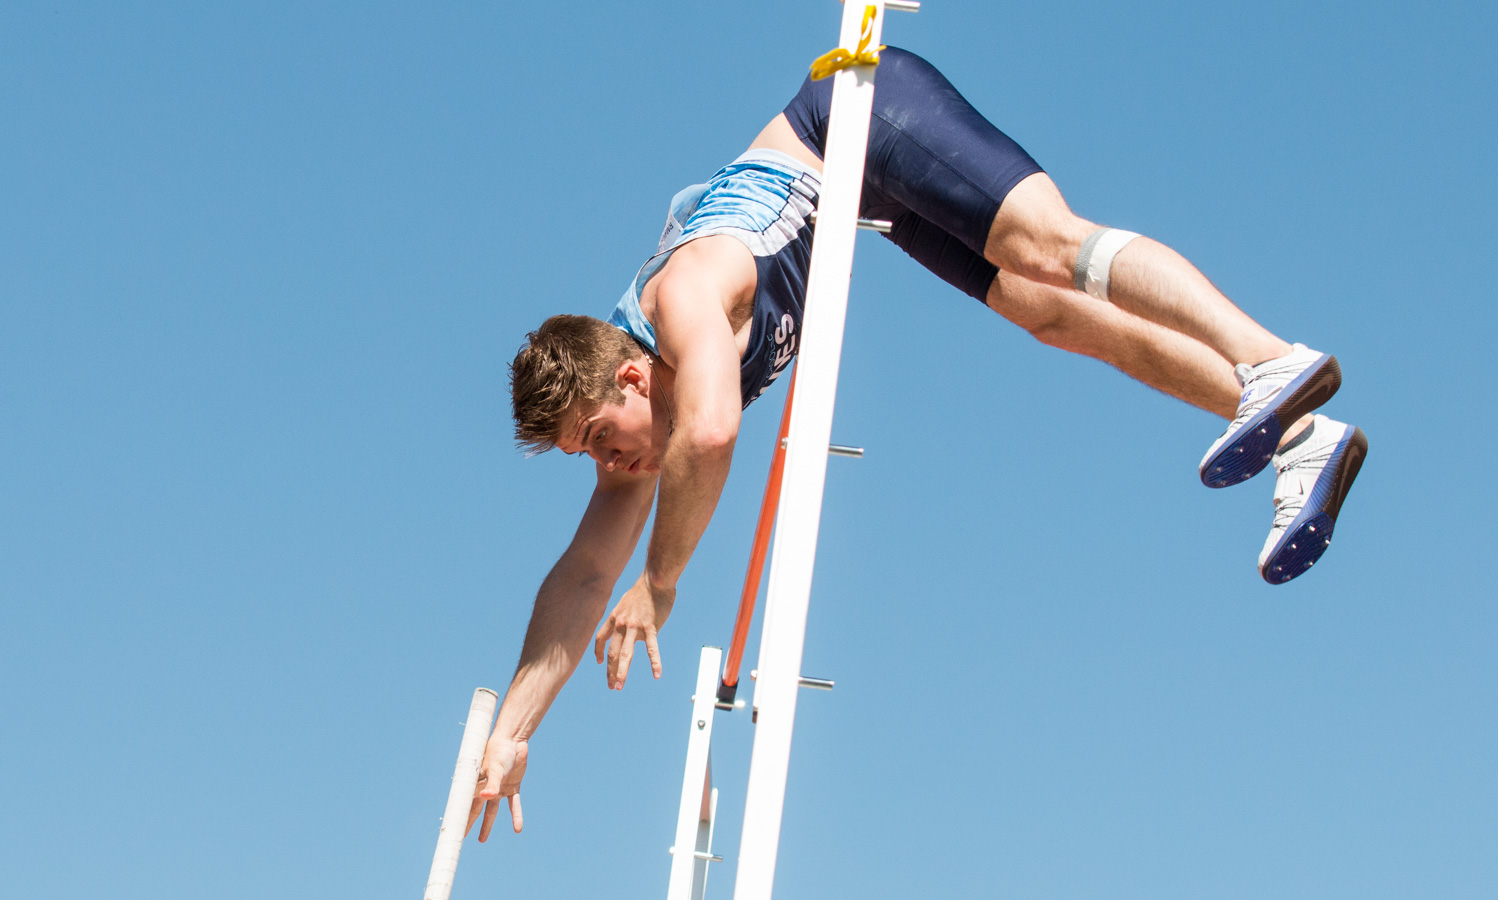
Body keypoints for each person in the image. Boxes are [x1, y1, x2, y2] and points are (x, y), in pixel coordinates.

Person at [466, 47, 1368, 840]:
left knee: (1047, 244)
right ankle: (1301, 431)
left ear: (630, 377)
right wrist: (511, 733)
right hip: (869, 195)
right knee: (1052, 315)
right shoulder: (637, 415)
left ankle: (1270, 360)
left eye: (596, 440)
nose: (608, 466)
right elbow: (582, 576)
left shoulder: (684, 297)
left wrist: (660, 585)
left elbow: (711, 429)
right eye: (587, 458)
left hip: (859, 118)